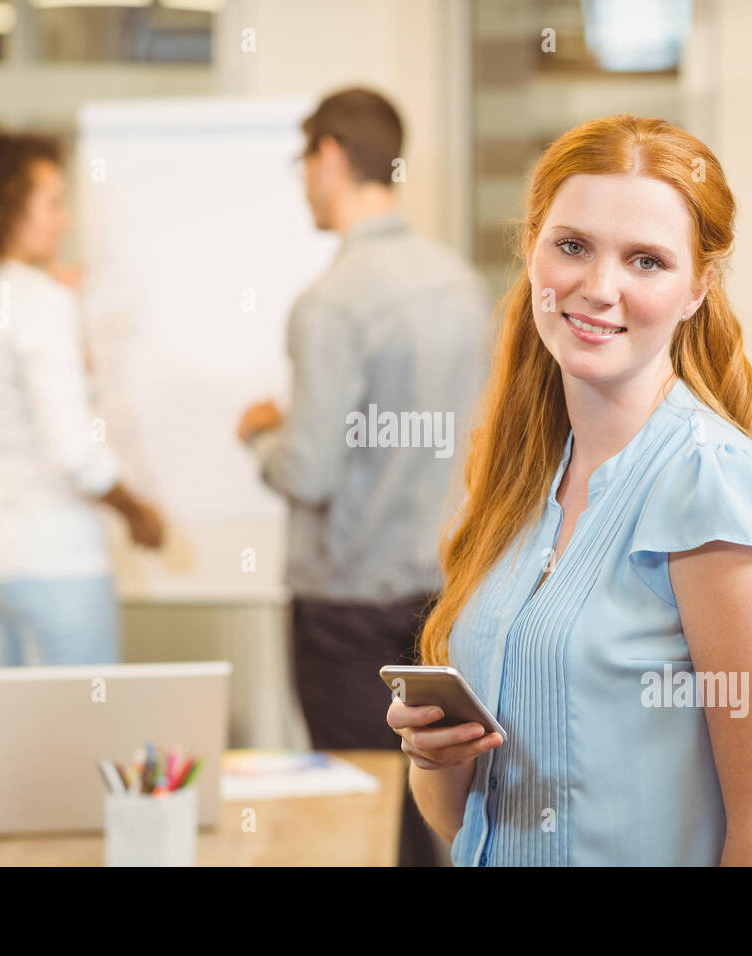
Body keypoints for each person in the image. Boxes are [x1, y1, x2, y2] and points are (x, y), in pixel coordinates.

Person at [390, 113, 752, 866]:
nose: (598, 288)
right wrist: (437, 755)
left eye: (647, 262)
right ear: (532, 252)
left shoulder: (714, 487)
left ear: (697, 289)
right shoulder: (519, 483)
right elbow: (460, 823)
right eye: (572, 247)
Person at [237, 88, 492, 867]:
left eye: (304, 164)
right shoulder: (463, 287)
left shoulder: (331, 304)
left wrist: (261, 436)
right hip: (442, 597)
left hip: (344, 614)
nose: (305, 183)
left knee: (363, 822)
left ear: (330, 158)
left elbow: (310, 470)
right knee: (435, 814)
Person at [0, 131, 164, 668]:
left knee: (14, 739)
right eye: (52, 202)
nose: (65, 220)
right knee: (83, 737)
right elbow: (76, 453)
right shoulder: (39, 301)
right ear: (6, 207)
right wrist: (138, 512)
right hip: (57, 559)